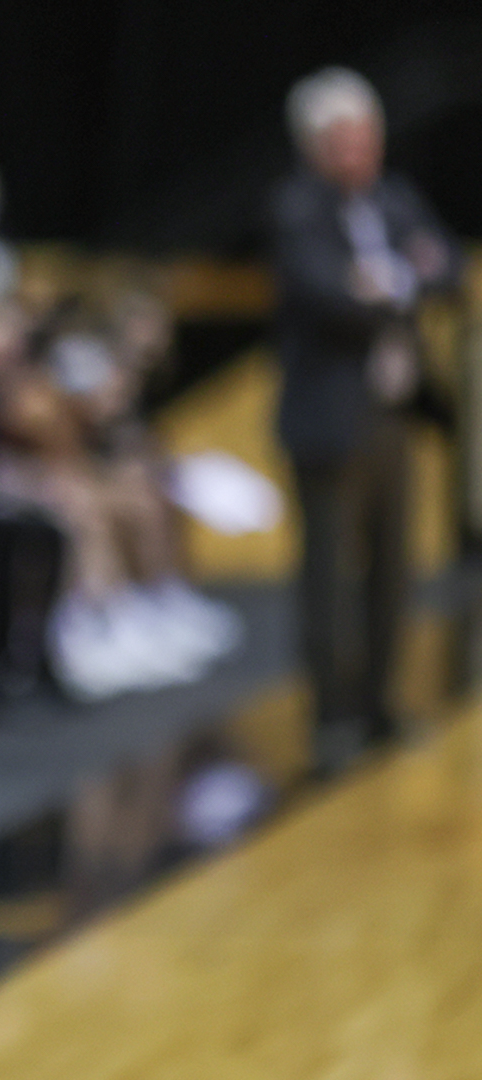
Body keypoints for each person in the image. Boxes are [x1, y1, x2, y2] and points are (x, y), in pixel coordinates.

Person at [270, 67, 461, 772]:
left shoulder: (395, 197)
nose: (361, 151)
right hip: (329, 417)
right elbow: (332, 296)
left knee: (393, 569)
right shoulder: (296, 208)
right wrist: (401, 280)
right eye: (345, 140)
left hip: (393, 412)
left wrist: (389, 281)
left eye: (367, 136)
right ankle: (333, 720)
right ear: (315, 145)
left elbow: (446, 265)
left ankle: (381, 704)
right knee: (329, 578)